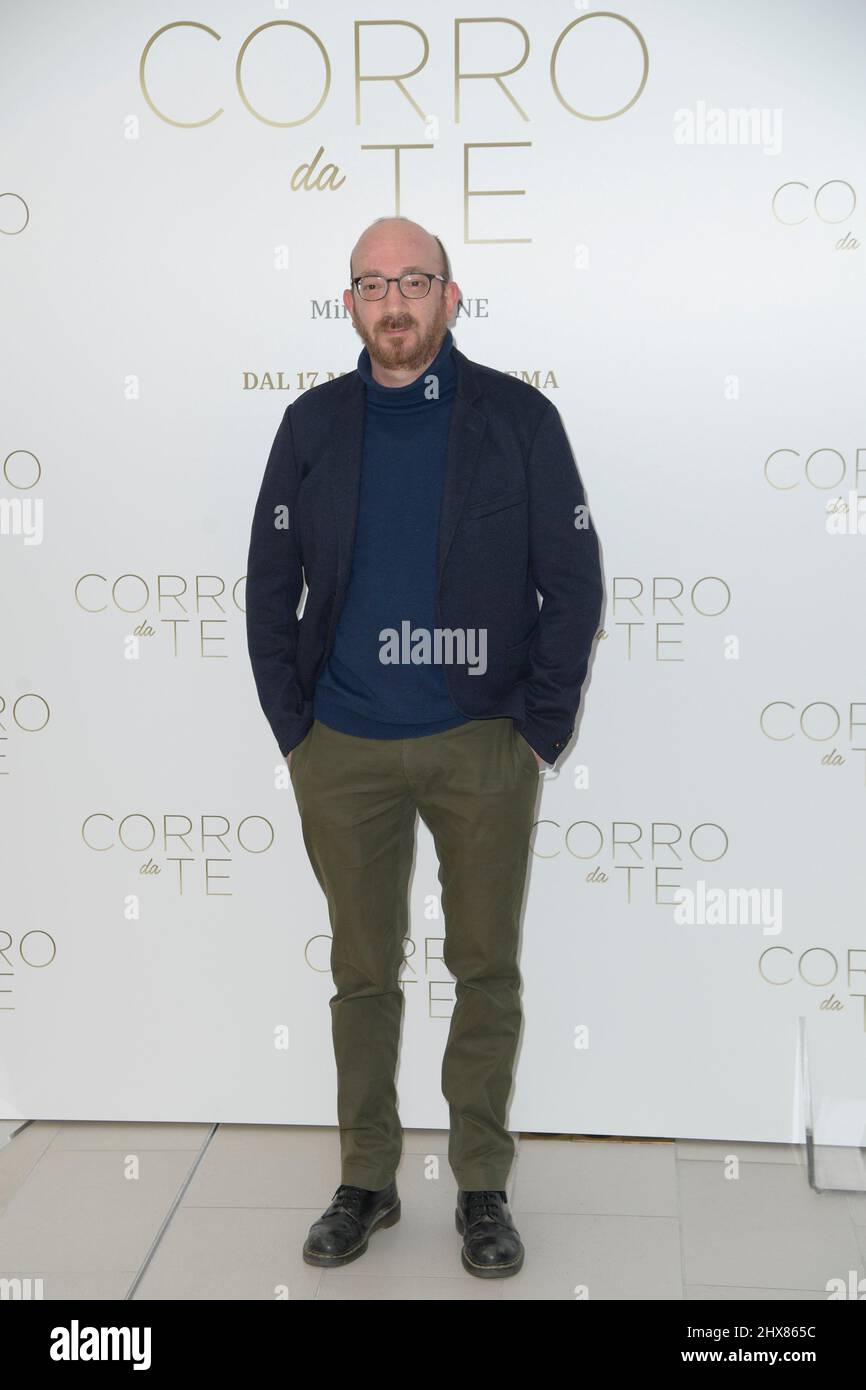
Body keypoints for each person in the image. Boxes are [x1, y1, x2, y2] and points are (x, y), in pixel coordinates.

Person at [245, 215, 603, 1279]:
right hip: (342, 748)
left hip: (477, 744)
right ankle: (366, 1178)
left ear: (451, 297)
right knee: (362, 974)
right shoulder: (311, 425)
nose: (392, 301)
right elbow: (269, 586)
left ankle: (482, 1185)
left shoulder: (516, 418)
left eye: (413, 281)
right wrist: (294, 731)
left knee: (483, 968)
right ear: (347, 303)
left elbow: (571, 582)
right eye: (371, 284)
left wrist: (533, 726)